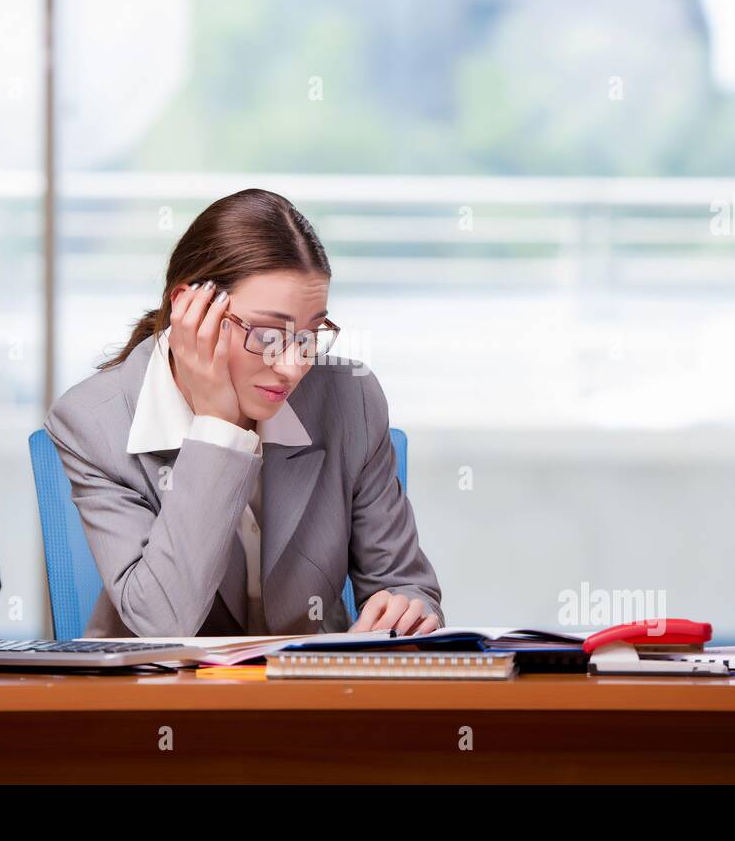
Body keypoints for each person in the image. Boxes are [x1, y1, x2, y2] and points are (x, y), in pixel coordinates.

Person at [45, 188, 443, 638]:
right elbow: (161, 622)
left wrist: (406, 609)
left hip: (309, 698)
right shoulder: (93, 422)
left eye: (311, 333)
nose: (294, 365)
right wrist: (217, 428)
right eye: (269, 335)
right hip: (159, 699)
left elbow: (405, 584)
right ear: (190, 311)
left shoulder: (351, 399)